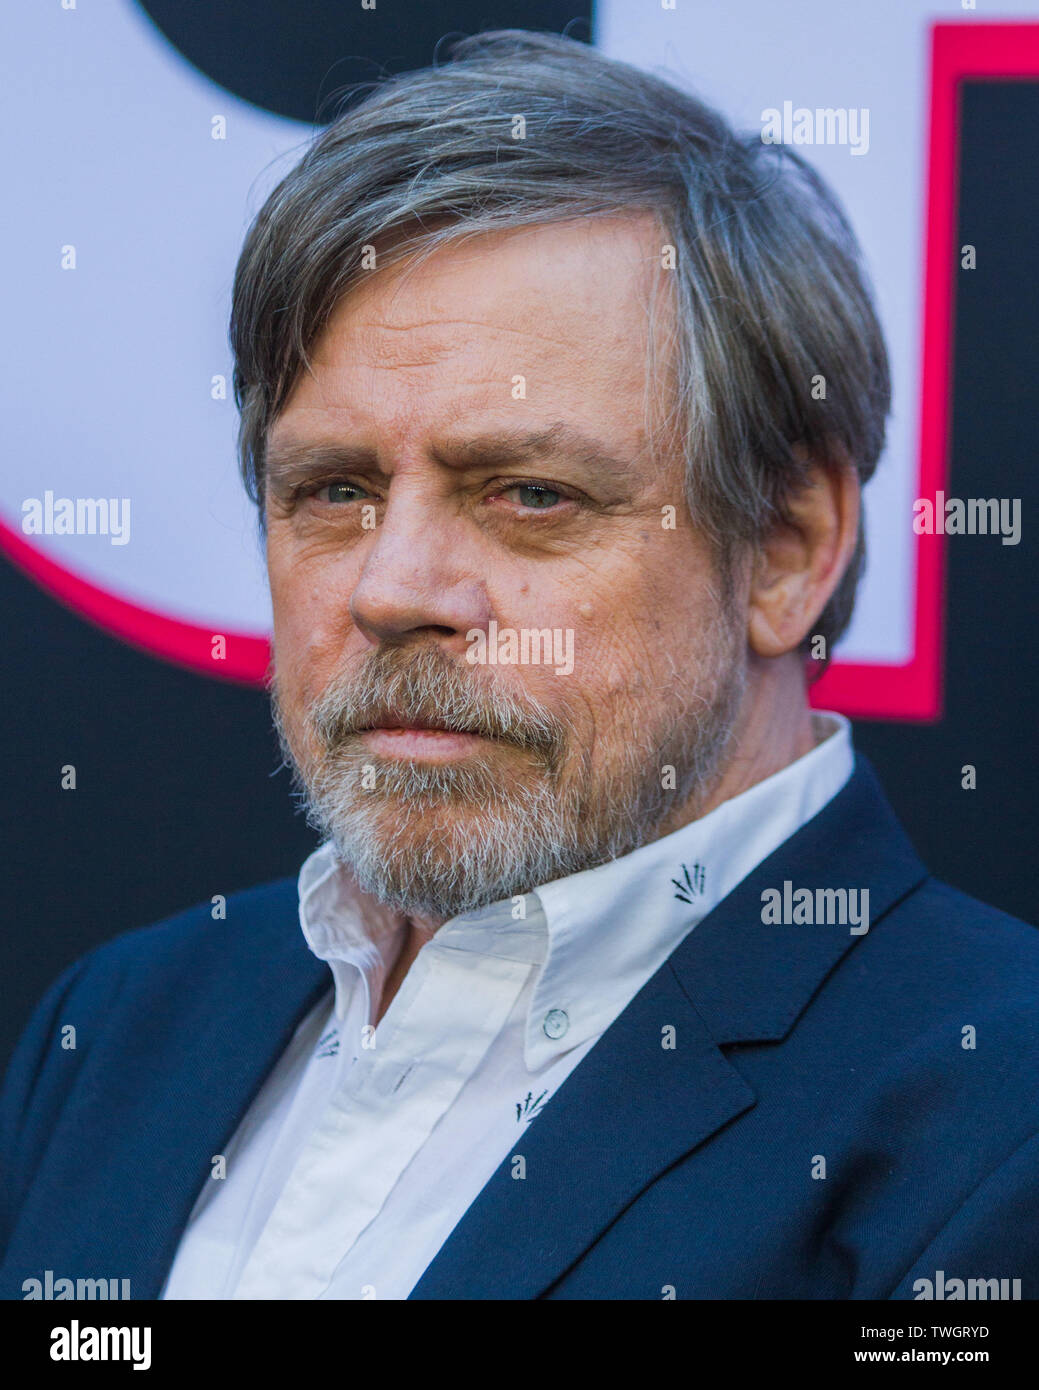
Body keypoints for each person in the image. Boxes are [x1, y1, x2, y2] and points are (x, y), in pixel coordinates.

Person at [3, 29, 1038, 1302]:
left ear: (786, 547)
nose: (393, 591)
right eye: (332, 489)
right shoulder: (119, 1023)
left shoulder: (999, 1116)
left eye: (530, 494)